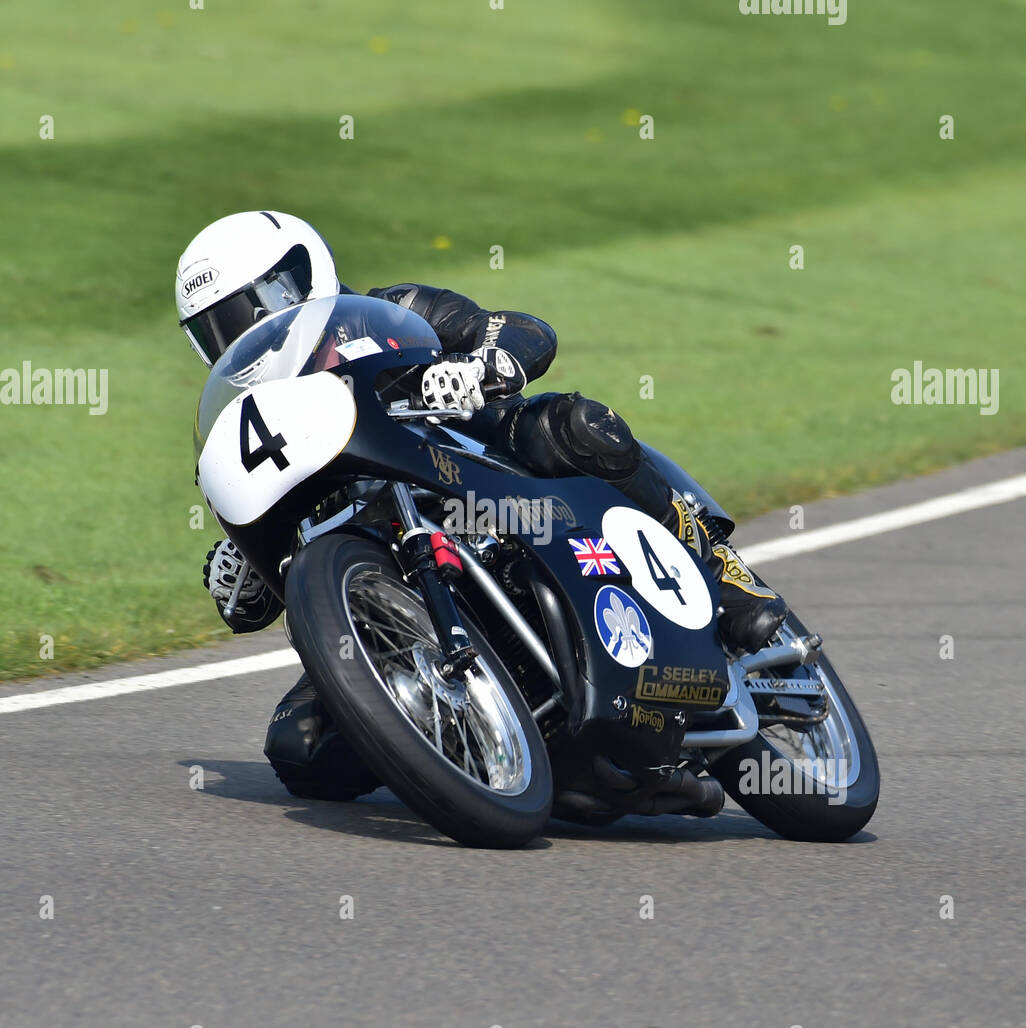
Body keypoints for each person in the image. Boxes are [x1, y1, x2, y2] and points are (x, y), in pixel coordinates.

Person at [177, 211, 787, 799]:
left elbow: (517, 328)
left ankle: (722, 570)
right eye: (214, 329)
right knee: (301, 751)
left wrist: (480, 364)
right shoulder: (247, 422)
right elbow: (264, 565)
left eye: (244, 310)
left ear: (296, 277)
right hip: (397, 585)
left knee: (574, 424)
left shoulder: (392, 311)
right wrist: (245, 562)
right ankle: (491, 756)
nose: (236, 335)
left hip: (486, 487)